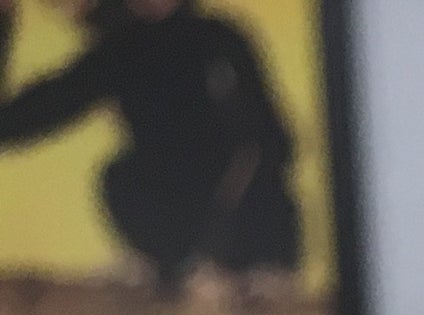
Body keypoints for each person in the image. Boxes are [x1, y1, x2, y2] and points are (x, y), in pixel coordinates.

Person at [0, 0, 303, 299]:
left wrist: (216, 254)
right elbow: (22, 119)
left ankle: (219, 266)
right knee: (123, 175)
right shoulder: (121, 50)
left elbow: (268, 144)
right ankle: (177, 264)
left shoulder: (218, 40)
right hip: (179, 251)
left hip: (251, 240)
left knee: (239, 158)